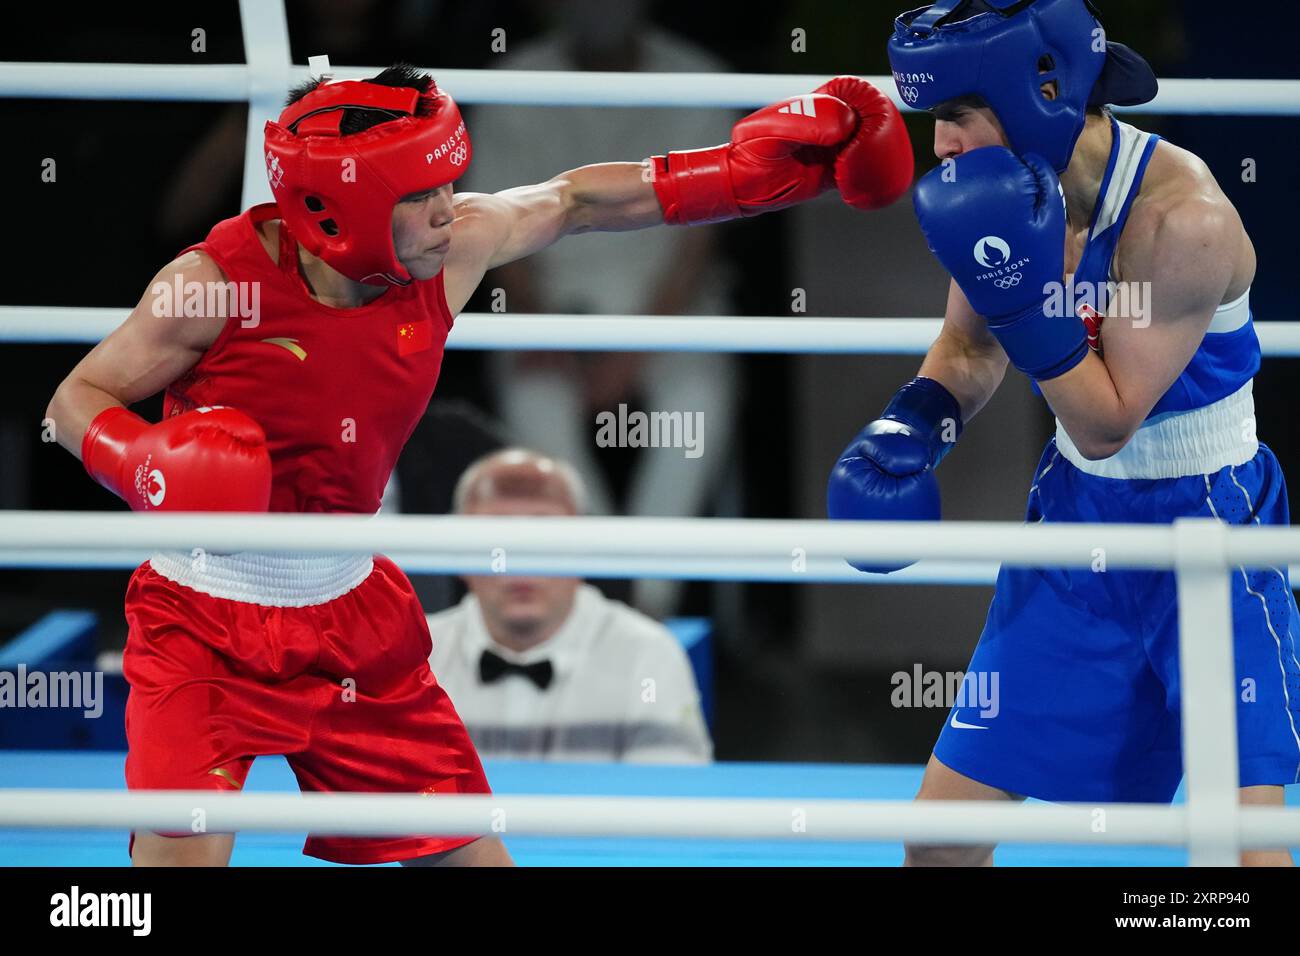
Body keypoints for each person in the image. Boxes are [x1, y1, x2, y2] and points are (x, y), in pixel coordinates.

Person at [46, 60, 912, 866]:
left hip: (352, 618)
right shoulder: (207, 287)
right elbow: (74, 400)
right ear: (333, 212)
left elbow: (578, 200)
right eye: (421, 197)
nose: (449, 211)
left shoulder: (448, 248)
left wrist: (752, 172)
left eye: (449, 185)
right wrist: (148, 463)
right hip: (204, 619)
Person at [828, 0, 1298, 866]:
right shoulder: (1001, 196)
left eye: (957, 117)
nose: (941, 147)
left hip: (1211, 529)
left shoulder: (1181, 221)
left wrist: (1015, 293)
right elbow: (968, 347)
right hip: (1077, 522)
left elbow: (1108, 416)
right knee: (938, 844)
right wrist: (914, 421)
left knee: (1243, 853)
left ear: (1035, 95)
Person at [428, 449, 712, 763]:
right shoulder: (416, 653)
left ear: (583, 547)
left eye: (544, 533)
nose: (519, 560)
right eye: (497, 535)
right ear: (455, 550)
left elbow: (665, 799)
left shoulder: (648, 655)